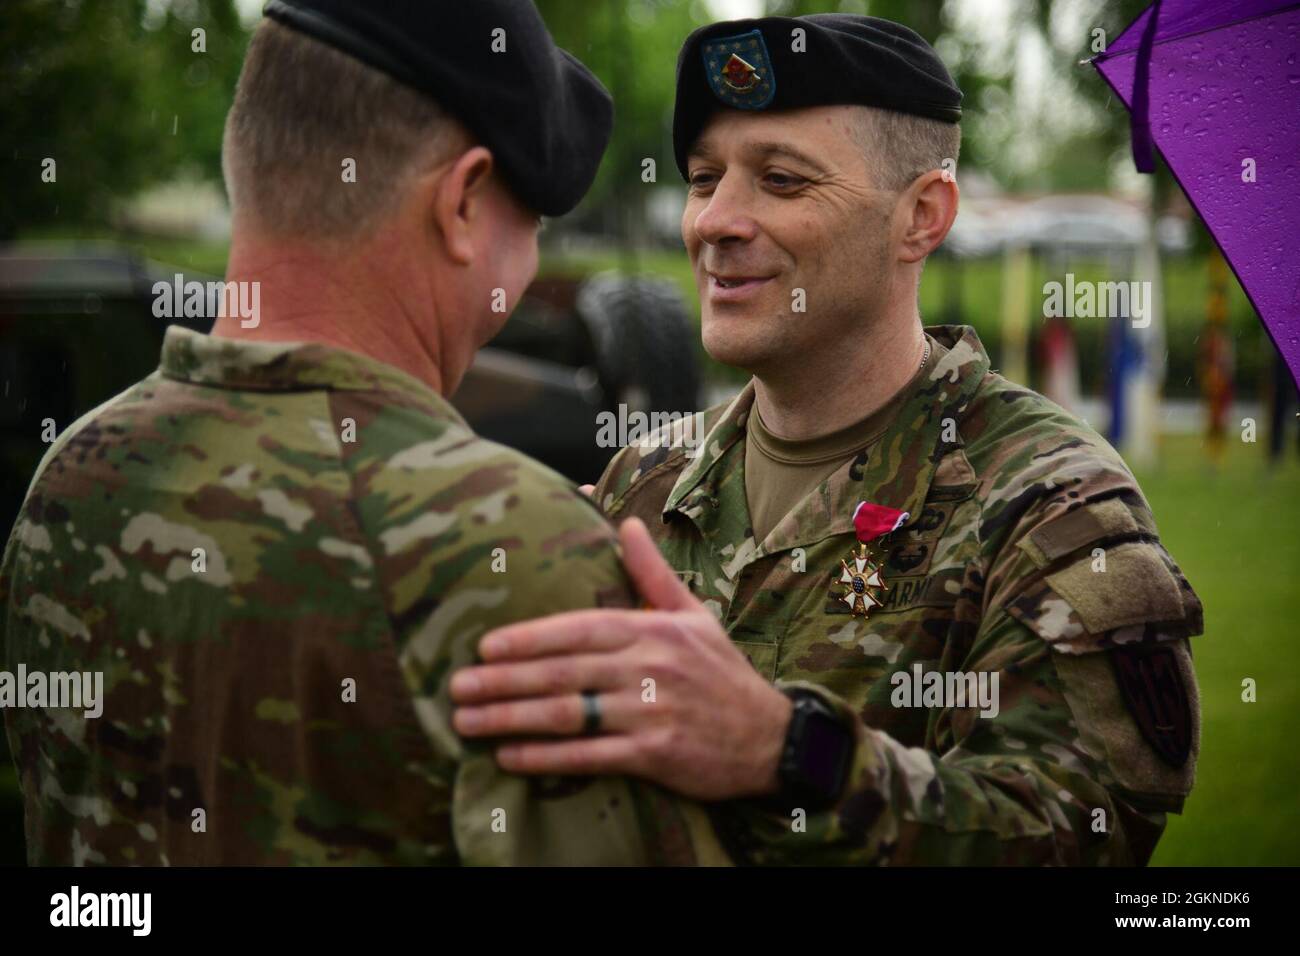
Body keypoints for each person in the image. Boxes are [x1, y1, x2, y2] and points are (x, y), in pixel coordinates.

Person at [450, 14, 1205, 866]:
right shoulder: (642, 483)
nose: (714, 221)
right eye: (704, 179)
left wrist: (790, 752)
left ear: (921, 215)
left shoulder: (1049, 506)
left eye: (780, 180)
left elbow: (1079, 834)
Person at [0, 0, 725, 866]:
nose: (527, 267)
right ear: (461, 203)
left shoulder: (67, 480)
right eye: (527, 227)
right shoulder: (519, 549)